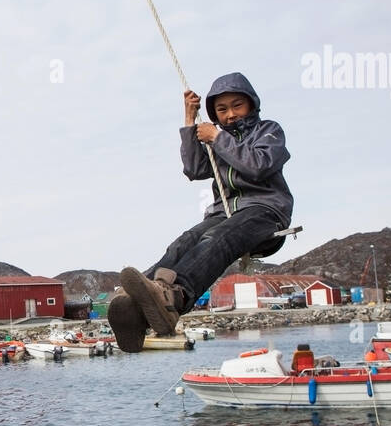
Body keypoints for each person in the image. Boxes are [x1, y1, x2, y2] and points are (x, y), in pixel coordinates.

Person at [110, 72, 293, 349]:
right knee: (183, 242)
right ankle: (134, 302)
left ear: (252, 105)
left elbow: (259, 165)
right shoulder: (217, 139)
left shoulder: (268, 130)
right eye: (222, 109)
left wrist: (218, 138)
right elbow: (194, 170)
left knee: (216, 238)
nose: (230, 114)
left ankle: (175, 296)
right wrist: (189, 121)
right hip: (224, 212)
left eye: (237, 105)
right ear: (214, 114)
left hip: (265, 211)